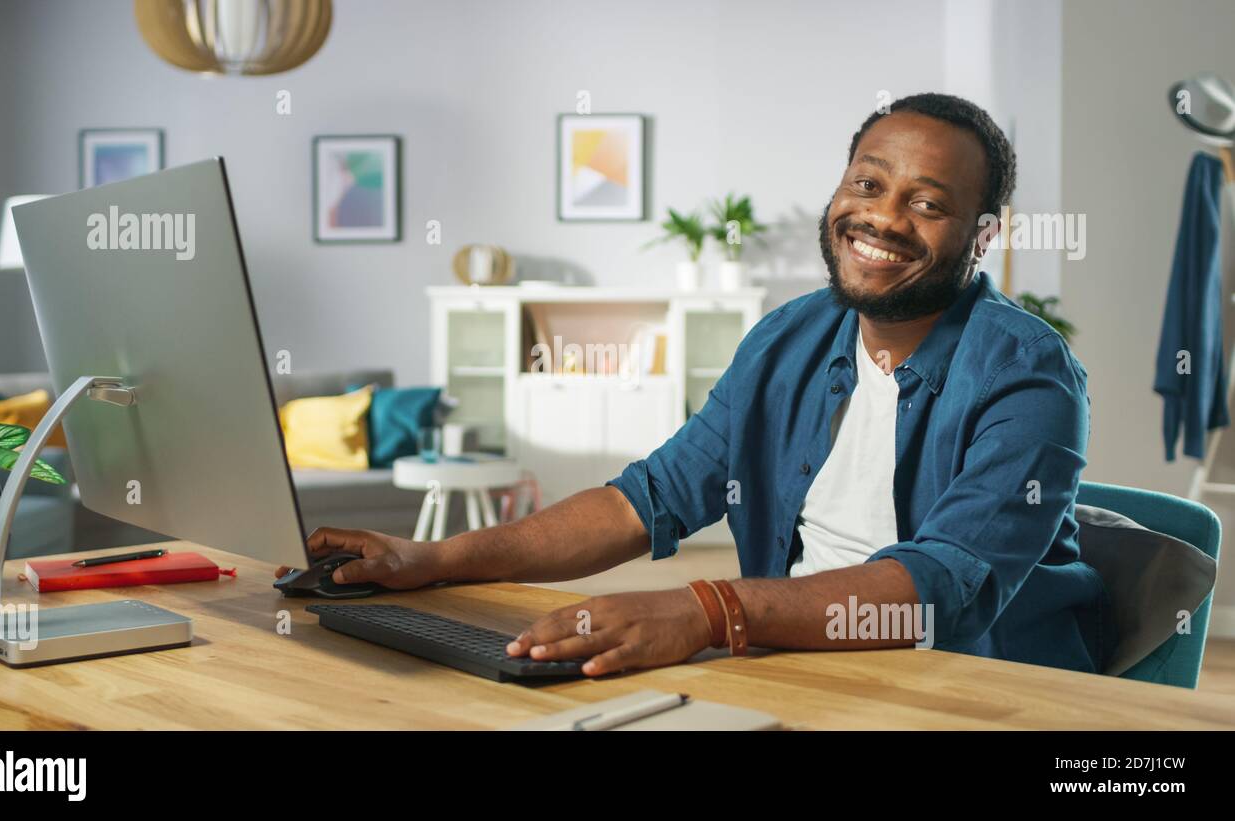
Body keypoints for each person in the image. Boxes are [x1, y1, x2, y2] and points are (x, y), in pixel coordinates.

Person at [281, 93, 1113, 677]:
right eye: (867, 182)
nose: (884, 217)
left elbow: (941, 591)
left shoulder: (1026, 372)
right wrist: (429, 558)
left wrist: (710, 609)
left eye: (928, 203)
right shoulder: (790, 336)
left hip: (981, 693)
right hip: (803, 669)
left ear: (984, 236)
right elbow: (648, 496)